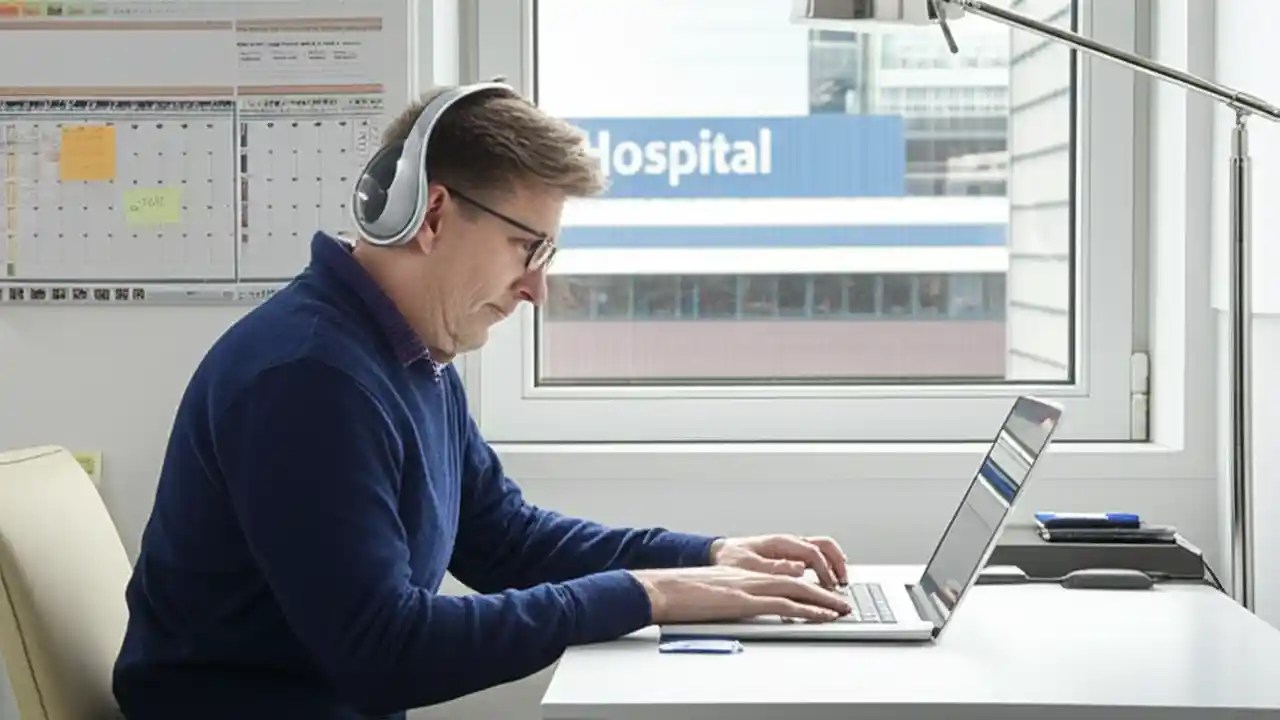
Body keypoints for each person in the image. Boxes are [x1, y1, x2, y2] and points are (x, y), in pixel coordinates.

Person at [112, 83, 854, 720]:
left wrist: (705, 556)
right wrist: (645, 595)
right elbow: (385, 652)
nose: (536, 287)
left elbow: (506, 540)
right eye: (526, 248)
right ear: (433, 216)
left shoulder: (407, 355)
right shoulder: (310, 380)